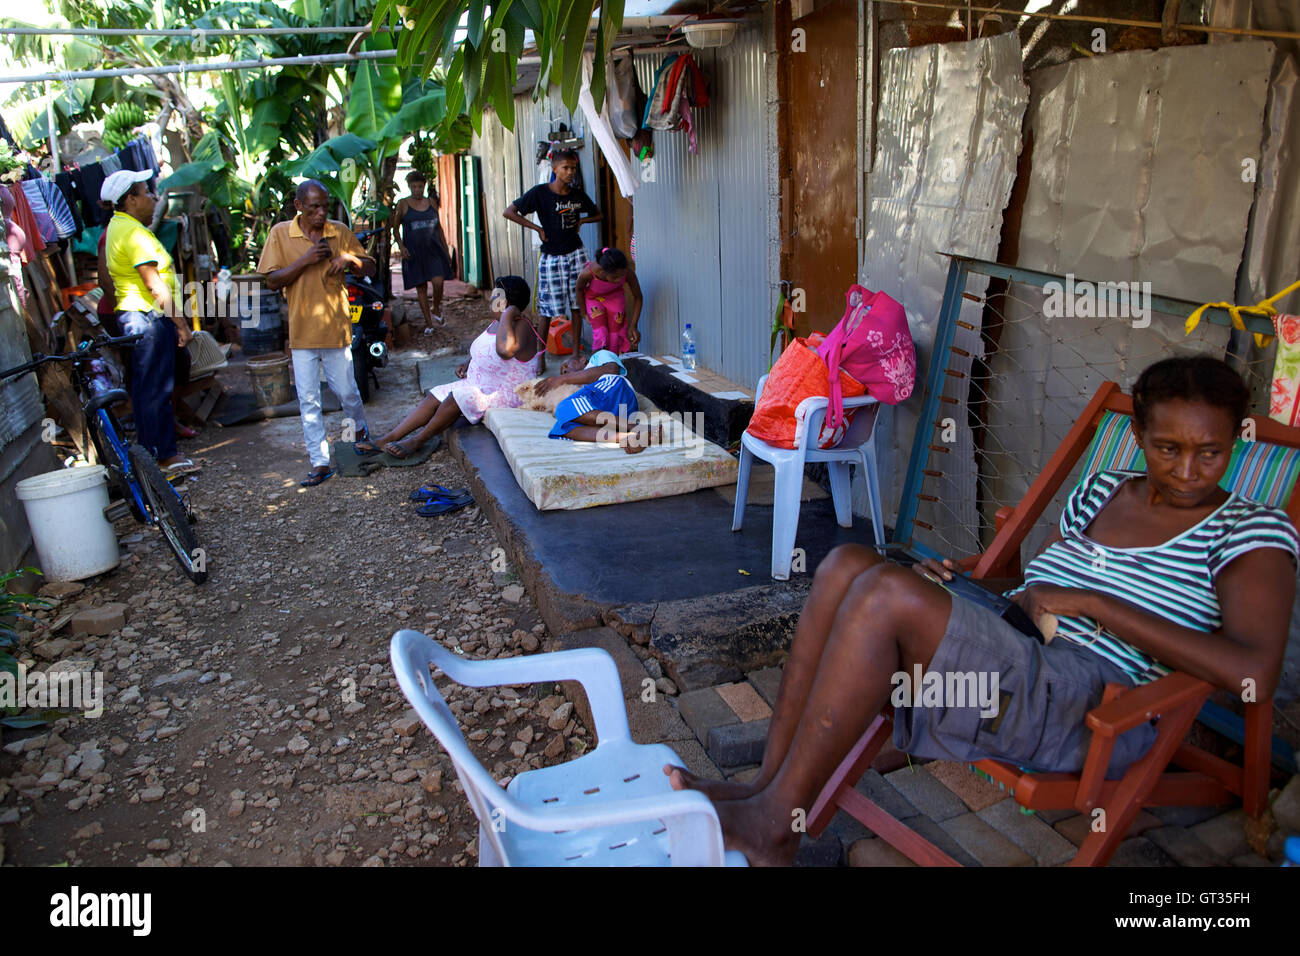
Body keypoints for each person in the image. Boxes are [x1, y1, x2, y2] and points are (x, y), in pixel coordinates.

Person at [665, 355, 1299, 865]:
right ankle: (768, 794)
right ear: (1138, 436)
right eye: (1167, 449)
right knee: (846, 567)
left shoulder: (1250, 533)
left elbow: (1254, 675)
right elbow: (1040, 587)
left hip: (1090, 704)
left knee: (884, 595)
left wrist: (1095, 604)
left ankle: (773, 828)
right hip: (1017, 645)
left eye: (1210, 453)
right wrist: (958, 593)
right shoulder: (1105, 490)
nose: (1188, 469)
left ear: (1235, 441)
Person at [258, 179, 372, 487]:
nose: (321, 213)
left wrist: (349, 259)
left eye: (325, 206)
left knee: (347, 391)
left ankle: (357, 432)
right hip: (302, 333)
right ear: (298, 206)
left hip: (335, 329)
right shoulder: (281, 234)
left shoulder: (339, 232)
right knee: (308, 400)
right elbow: (271, 281)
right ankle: (320, 462)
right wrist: (305, 261)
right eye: (314, 207)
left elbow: (369, 267)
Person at [355, 275, 546, 460]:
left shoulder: (522, 326)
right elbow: (485, 350)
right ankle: (389, 438)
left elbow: (505, 351)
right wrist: (468, 363)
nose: (492, 298)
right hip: (481, 384)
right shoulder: (497, 323)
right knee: (436, 394)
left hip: (507, 394)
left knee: (457, 397)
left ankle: (417, 441)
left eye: (496, 295)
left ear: (506, 303)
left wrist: (508, 314)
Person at [101, 169, 197, 475]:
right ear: (130, 199)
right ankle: (163, 457)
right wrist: (181, 324)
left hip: (137, 316)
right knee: (155, 389)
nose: (153, 198)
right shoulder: (133, 233)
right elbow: (154, 285)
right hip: (147, 316)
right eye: (147, 192)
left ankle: (154, 456)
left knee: (147, 389)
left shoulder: (120, 226)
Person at [503, 149, 601, 363]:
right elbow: (509, 212)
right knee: (546, 309)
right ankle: (541, 356)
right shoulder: (540, 193)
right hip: (551, 257)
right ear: (554, 169)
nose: (570, 172)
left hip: (576, 254)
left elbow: (598, 214)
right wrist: (536, 228)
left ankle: (576, 354)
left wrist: (582, 222)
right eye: (565, 168)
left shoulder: (577, 195)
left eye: (573, 168)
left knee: (577, 305)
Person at [538, 350, 660, 453]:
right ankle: (629, 437)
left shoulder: (599, 357)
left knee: (563, 408)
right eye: (562, 371)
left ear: (582, 359)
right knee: (562, 426)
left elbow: (612, 370)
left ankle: (638, 427)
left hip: (616, 392)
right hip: (614, 415)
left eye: (566, 365)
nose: (564, 370)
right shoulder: (582, 390)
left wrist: (561, 379)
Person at [391, 170, 454, 334]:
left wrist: (446, 250)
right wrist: (401, 246)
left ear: (424, 186)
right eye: (414, 187)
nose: (417, 190)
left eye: (420, 186)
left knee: (438, 282)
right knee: (421, 288)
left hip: (433, 250)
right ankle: (429, 324)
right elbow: (395, 228)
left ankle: (436, 307)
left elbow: (438, 228)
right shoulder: (403, 204)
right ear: (409, 187)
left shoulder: (431, 203)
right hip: (413, 253)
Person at [575, 247, 642, 354]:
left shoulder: (627, 273)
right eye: (615, 277)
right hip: (594, 299)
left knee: (615, 336)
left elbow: (638, 297)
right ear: (603, 271)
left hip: (615, 298)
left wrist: (633, 325)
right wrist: (584, 313)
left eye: (621, 276)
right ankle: (597, 366)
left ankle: (612, 366)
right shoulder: (589, 273)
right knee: (601, 334)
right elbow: (578, 290)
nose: (619, 279)